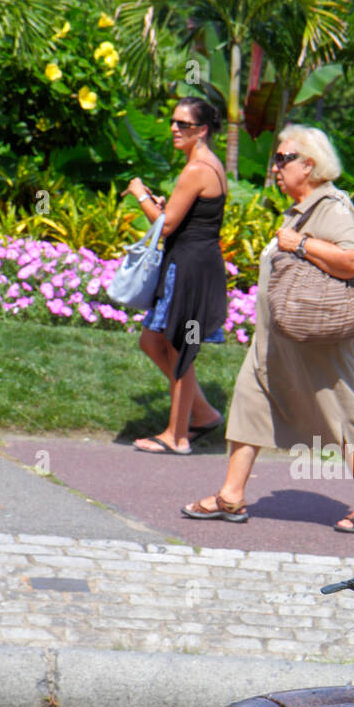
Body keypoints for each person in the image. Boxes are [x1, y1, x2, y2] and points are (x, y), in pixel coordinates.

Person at [182, 124, 354, 531]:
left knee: (340, 412)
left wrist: (298, 243)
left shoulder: (331, 206)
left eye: (283, 159)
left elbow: (353, 261)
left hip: (316, 339)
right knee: (249, 400)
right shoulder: (302, 209)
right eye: (275, 159)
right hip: (277, 340)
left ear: (309, 165)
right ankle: (231, 496)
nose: (276, 167)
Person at [124, 97, 227, 456]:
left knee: (178, 346)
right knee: (153, 342)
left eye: (183, 124)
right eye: (172, 122)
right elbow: (187, 219)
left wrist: (140, 196)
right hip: (188, 264)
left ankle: (177, 435)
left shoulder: (198, 168)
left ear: (202, 130)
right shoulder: (204, 165)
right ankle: (203, 413)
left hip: (191, 270)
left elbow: (165, 227)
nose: (174, 129)